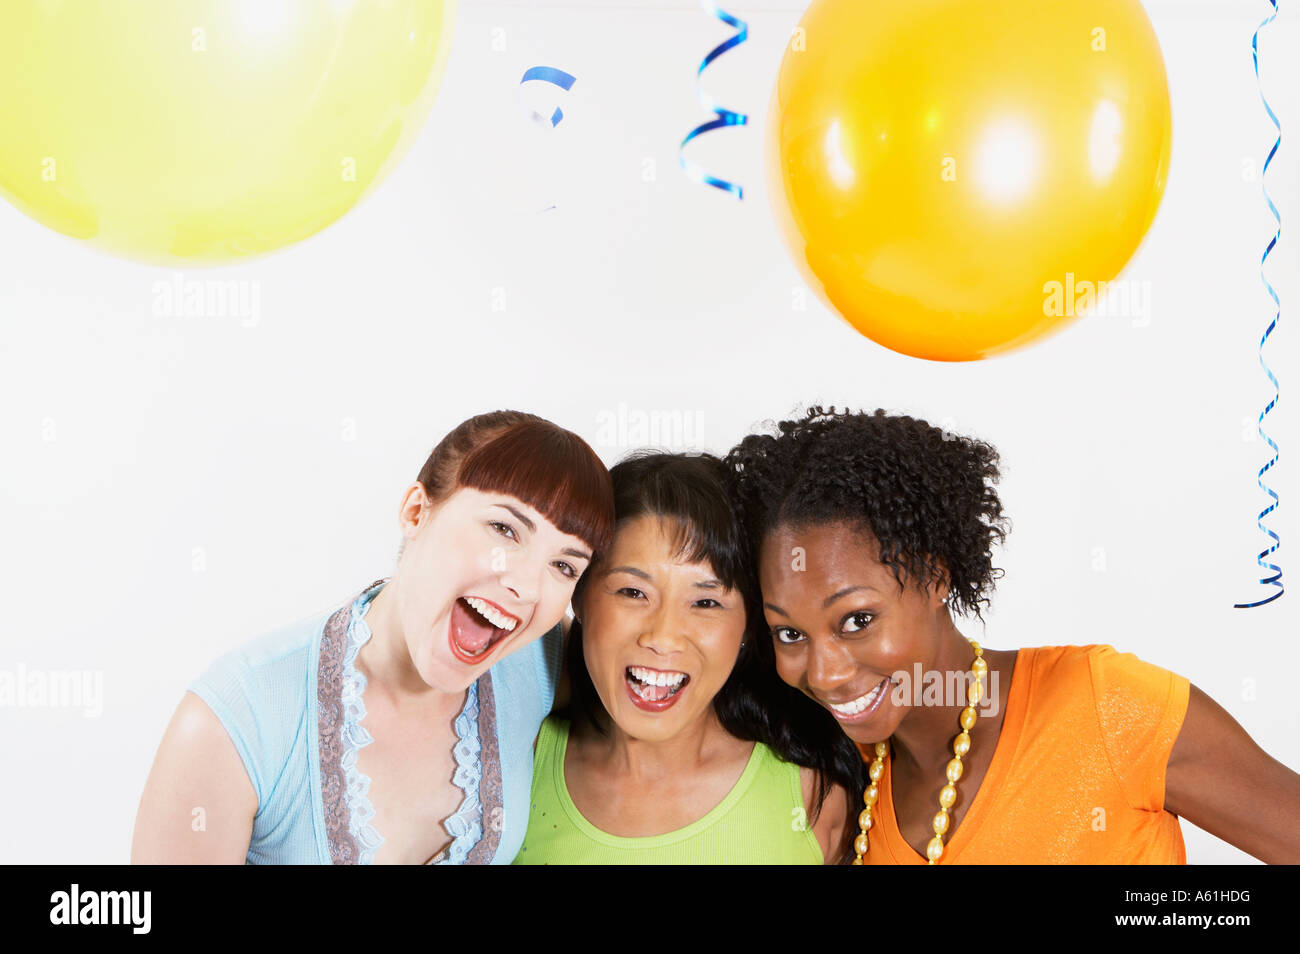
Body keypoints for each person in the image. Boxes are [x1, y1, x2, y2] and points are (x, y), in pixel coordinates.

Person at [724, 406, 1300, 864]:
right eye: (790, 633)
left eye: (857, 620)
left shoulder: (1105, 704)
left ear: (935, 574)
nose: (825, 672)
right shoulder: (840, 777)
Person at [131, 410, 614, 864]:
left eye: (564, 565)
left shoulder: (540, 662)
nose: (526, 586)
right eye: (504, 529)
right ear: (416, 512)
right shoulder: (240, 714)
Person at [513, 452, 863, 864]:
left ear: (749, 625)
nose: (662, 637)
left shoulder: (812, 792)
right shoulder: (517, 770)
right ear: (580, 598)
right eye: (632, 592)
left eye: (706, 602)